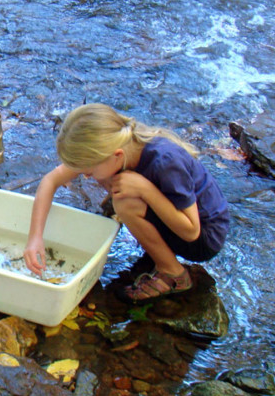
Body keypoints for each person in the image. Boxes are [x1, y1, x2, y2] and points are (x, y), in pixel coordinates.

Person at [24, 104, 229, 302]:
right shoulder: (113, 148)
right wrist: (35, 237)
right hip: (175, 225)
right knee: (119, 190)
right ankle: (156, 250)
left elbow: (192, 231)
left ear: (117, 156)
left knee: (124, 202)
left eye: (89, 171)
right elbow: (50, 181)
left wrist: (145, 190)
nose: (85, 176)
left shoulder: (166, 162)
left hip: (203, 237)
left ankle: (173, 273)